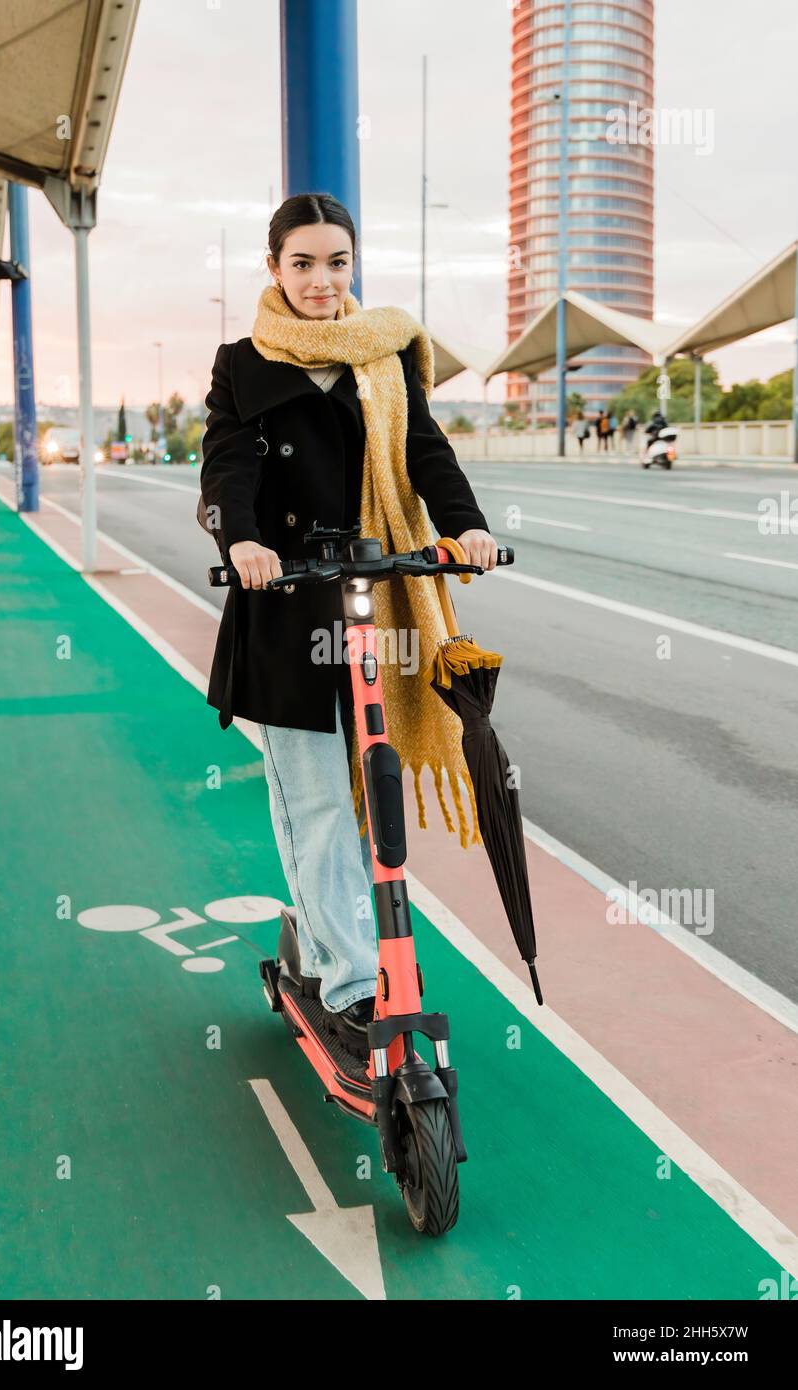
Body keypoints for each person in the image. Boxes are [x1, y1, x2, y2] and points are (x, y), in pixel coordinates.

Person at [200, 192, 497, 1059]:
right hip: (288, 603)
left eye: (337, 262)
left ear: (352, 265)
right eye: (303, 264)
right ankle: (352, 983)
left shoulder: (388, 352)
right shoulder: (241, 360)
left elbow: (422, 452)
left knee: (373, 789)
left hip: (377, 589)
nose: (322, 281)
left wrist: (461, 526)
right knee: (320, 802)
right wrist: (243, 537)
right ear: (274, 269)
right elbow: (229, 462)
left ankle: (336, 943)